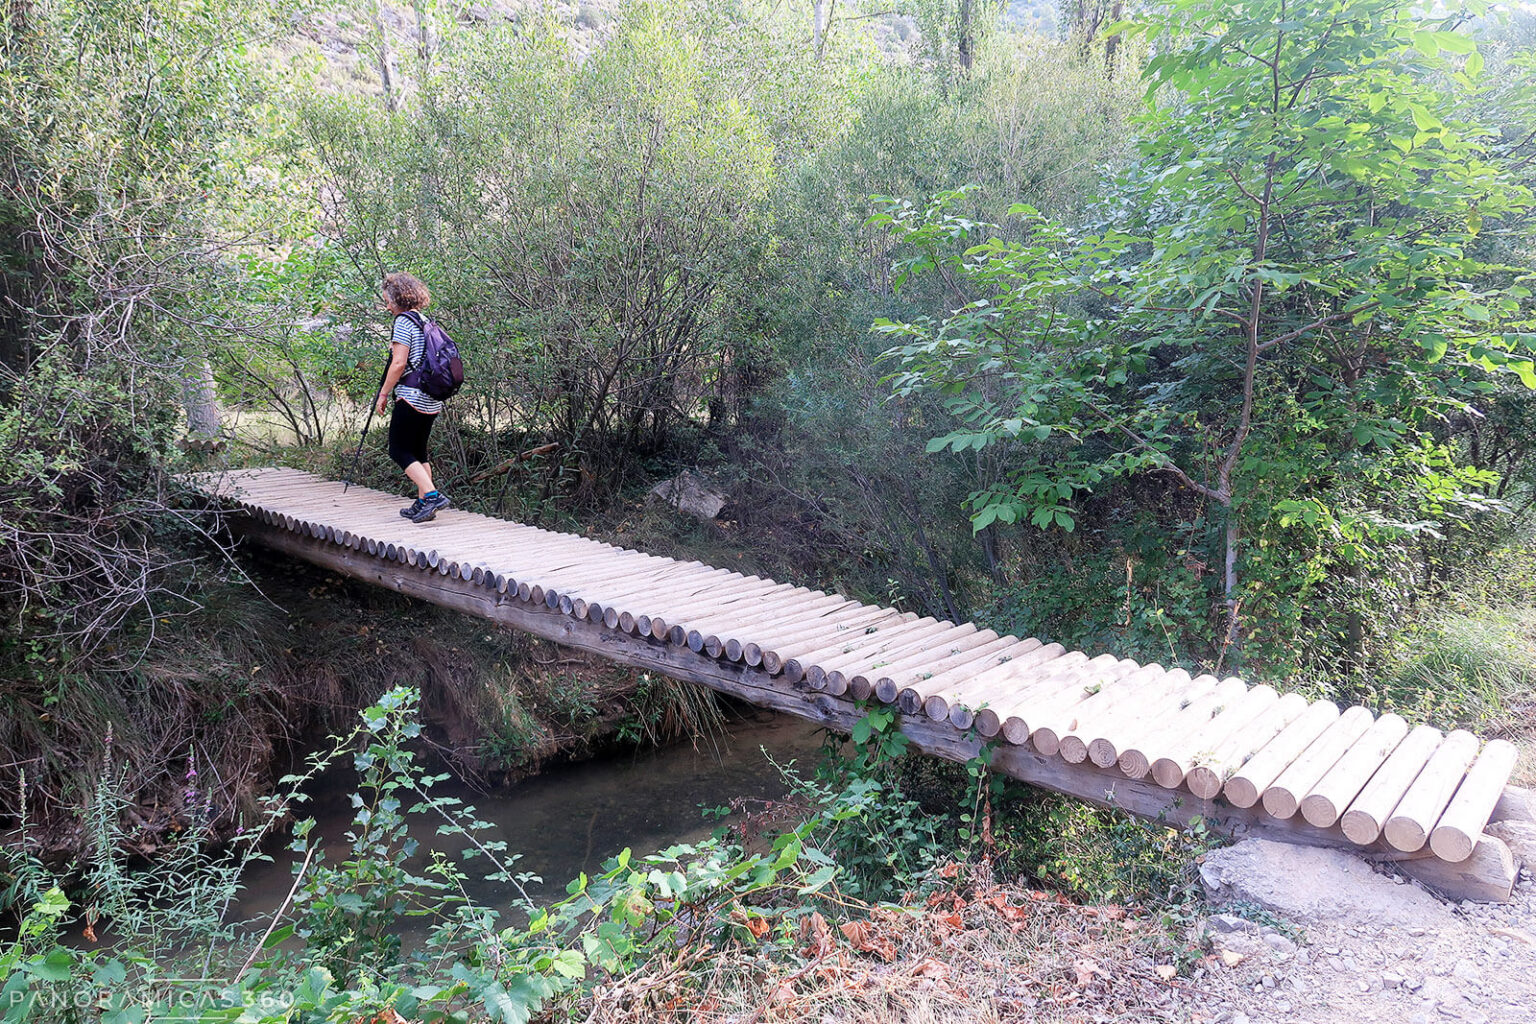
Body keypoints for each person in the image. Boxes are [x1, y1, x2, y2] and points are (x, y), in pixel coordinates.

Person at [374, 272, 451, 523]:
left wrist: (383, 393)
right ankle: (422, 504)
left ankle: (431, 495)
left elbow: (398, 364)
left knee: (398, 449)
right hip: (431, 397)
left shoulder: (403, 323)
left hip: (411, 395)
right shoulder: (423, 320)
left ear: (398, 299)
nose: (387, 306)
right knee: (418, 451)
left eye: (388, 300)